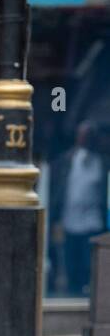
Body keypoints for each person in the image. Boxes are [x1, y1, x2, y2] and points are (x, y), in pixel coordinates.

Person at [51, 121, 107, 297]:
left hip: (92, 222)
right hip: (70, 221)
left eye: (89, 135)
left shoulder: (102, 164)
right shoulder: (67, 161)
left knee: (89, 264)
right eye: (83, 135)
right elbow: (58, 190)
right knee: (71, 263)